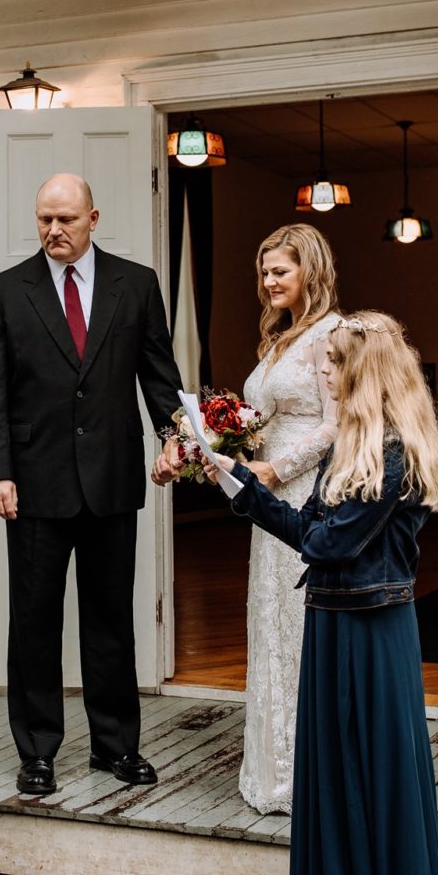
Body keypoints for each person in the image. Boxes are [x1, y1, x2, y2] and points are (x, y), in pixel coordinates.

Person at [206, 312, 438, 875]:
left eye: (331, 365)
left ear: (360, 374)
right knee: (333, 781)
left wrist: (268, 500)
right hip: (331, 626)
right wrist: (242, 487)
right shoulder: (350, 447)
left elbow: (328, 544)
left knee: (373, 782)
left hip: (373, 636)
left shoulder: (390, 455)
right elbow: (305, 531)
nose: (320, 371)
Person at [0, 172, 182, 796]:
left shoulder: (136, 285)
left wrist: (176, 437)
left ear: (94, 218)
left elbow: (160, 378)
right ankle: (37, 751)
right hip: (32, 487)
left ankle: (116, 747)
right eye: (43, 220)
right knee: (33, 623)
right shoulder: (6, 292)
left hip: (112, 482)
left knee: (111, 619)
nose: (53, 231)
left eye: (65, 219)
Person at [153, 223, 341, 815]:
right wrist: (187, 449)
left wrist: (276, 468)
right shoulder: (280, 340)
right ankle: (275, 769)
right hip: (267, 495)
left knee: (302, 624)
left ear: (309, 270)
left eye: (279, 271)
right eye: (263, 272)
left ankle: (315, 771)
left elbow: (337, 423)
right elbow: (248, 420)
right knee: (272, 620)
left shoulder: (334, 334)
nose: (267, 282)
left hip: (304, 490)